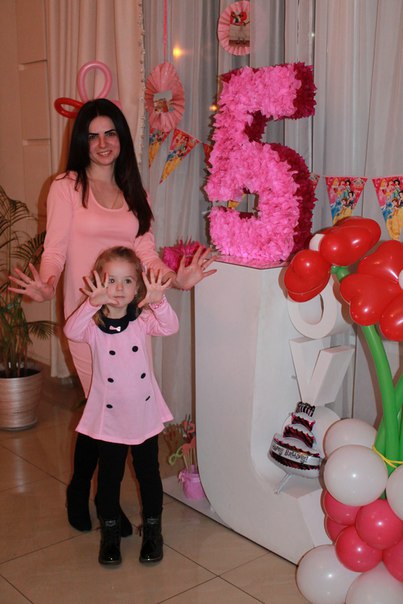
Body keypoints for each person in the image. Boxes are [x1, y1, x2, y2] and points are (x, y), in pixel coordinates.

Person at [8, 98, 216, 537]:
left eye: (111, 134)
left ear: (121, 138)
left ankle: (87, 491)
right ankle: (100, 498)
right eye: (93, 136)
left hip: (132, 319)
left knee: (114, 405)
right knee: (104, 403)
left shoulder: (134, 191)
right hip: (88, 321)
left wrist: (176, 280)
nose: (103, 143)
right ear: (81, 142)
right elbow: (55, 251)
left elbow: (146, 255)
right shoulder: (66, 187)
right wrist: (45, 282)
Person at [64, 246, 178, 565]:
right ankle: (110, 533)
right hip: (110, 418)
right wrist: (91, 303)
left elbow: (170, 327)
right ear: (99, 282)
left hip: (144, 413)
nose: (118, 288)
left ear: (137, 285)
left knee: (149, 474)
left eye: (127, 281)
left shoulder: (142, 320)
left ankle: (153, 532)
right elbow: (71, 330)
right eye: (111, 280)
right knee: (109, 478)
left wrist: (159, 301)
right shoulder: (92, 325)